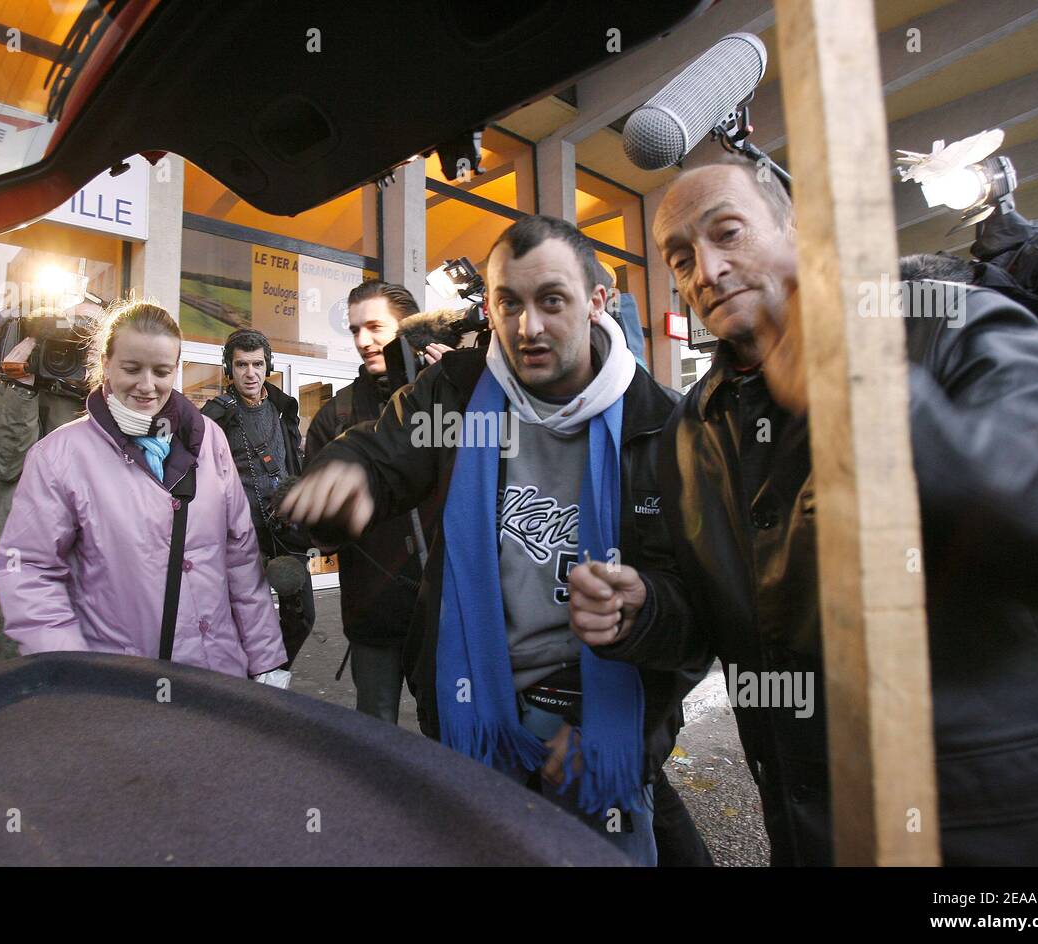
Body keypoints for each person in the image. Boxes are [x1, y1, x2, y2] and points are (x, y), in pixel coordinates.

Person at [574, 154, 1038, 865]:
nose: (704, 270)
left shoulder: (947, 325)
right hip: (816, 834)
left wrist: (874, 405)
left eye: (728, 233)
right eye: (679, 258)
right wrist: (644, 611)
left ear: (800, 230)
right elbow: (719, 619)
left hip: (1003, 836)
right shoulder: (693, 427)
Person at [280, 216, 712, 865]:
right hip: (473, 724)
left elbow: (702, 612)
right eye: (509, 302)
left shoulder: (666, 428)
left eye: (551, 300)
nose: (527, 326)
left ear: (597, 303)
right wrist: (348, 474)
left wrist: (645, 611)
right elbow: (381, 449)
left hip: (600, 740)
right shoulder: (456, 390)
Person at [0, 299, 287, 682]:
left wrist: (266, 657)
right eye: (132, 369)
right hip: (123, 689)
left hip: (218, 679)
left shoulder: (208, 437)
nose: (147, 386)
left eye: (162, 371)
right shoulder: (59, 456)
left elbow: (240, 554)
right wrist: (71, 670)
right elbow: (29, 570)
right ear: (105, 365)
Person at [305, 281, 436, 723]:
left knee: (452, 739)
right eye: (355, 329)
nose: (363, 341)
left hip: (444, 613)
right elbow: (320, 527)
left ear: (412, 329)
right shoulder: (336, 415)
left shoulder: (454, 398)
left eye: (376, 327)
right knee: (375, 736)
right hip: (373, 612)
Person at [201, 329, 313, 675]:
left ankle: (272, 674)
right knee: (248, 619)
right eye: (241, 365)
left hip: (285, 530)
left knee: (303, 617)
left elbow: (293, 460)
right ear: (228, 369)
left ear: (268, 367)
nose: (250, 373)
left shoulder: (283, 408)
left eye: (257, 364)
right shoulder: (214, 416)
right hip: (242, 535)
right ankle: (251, 678)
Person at [0, 307, 88, 656]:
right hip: (28, 555)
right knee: (28, 660)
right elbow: (3, 464)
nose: (58, 353)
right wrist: (19, 384)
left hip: (88, 560)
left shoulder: (91, 400)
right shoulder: (12, 389)